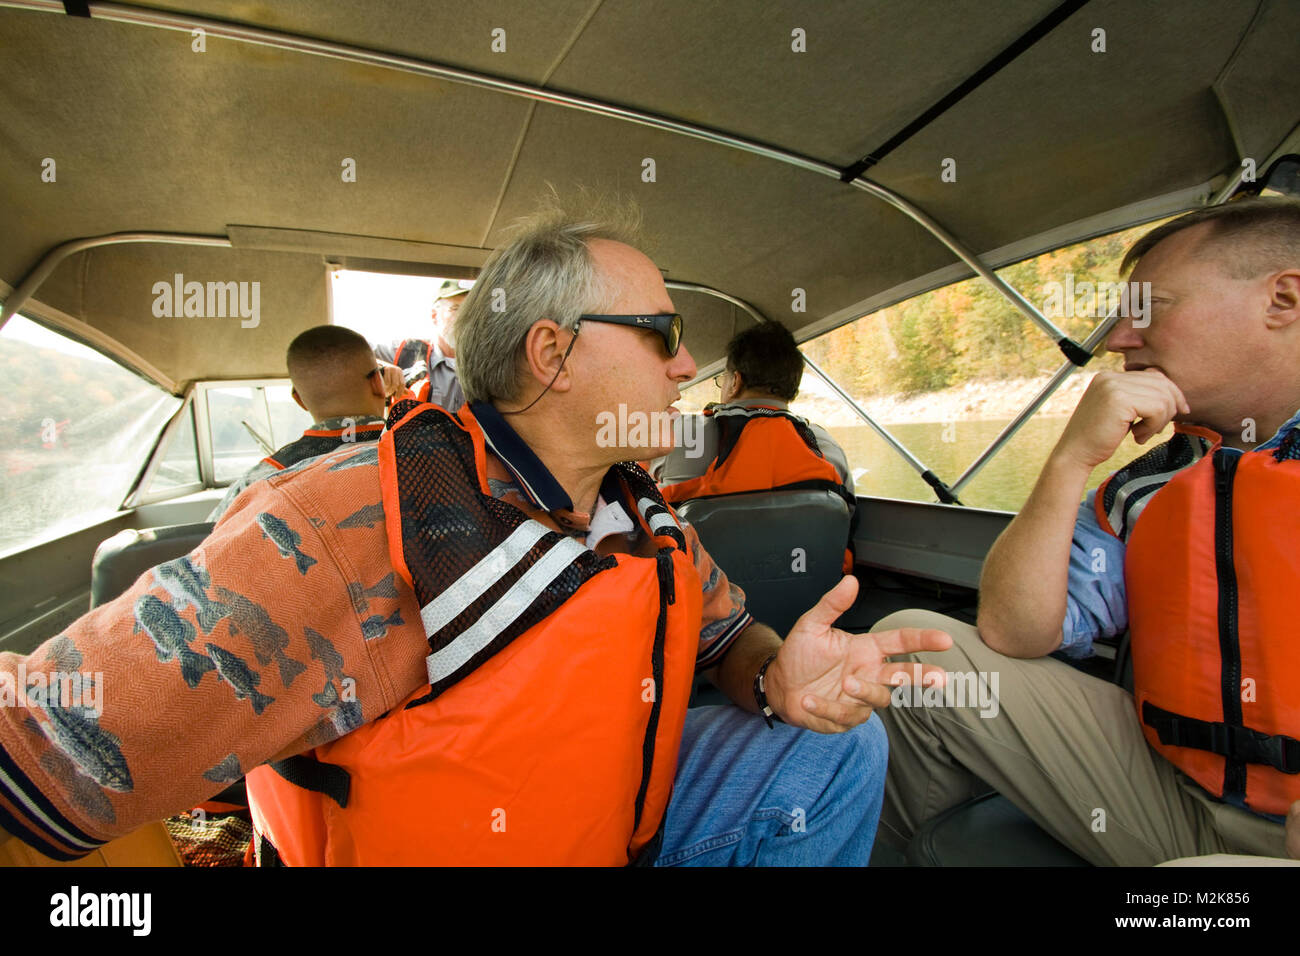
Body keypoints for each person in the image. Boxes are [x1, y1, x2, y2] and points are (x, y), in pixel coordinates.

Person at [0, 203, 950, 866]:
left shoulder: (644, 511)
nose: (689, 365)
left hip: (624, 825)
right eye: (662, 333)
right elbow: (37, 745)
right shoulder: (349, 525)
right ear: (553, 354)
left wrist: (776, 675)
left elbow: (728, 637)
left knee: (844, 746)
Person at [873, 197, 1300, 865]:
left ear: (1284, 300)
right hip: (1178, 796)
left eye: (1149, 310)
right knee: (916, 656)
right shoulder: (1152, 485)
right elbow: (1015, 632)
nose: (1117, 339)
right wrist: (1071, 458)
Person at [208, 325, 399, 521]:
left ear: (299, 400)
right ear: (378, 383)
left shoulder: (260, 481)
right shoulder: (420, 453)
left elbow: (207, 541)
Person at [653, 321, 853, 502]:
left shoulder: (682, 432)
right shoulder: (826, 446)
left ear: (735, 382)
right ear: (793, 388)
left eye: (723, 379)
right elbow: (847, 514)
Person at [373, 278, 468, 410]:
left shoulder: (488, 366)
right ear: (435, 316)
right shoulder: (405, 352)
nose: (465, 317)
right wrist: (381, 366)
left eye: (471, 311)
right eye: (456, 309)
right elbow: (352, 352)